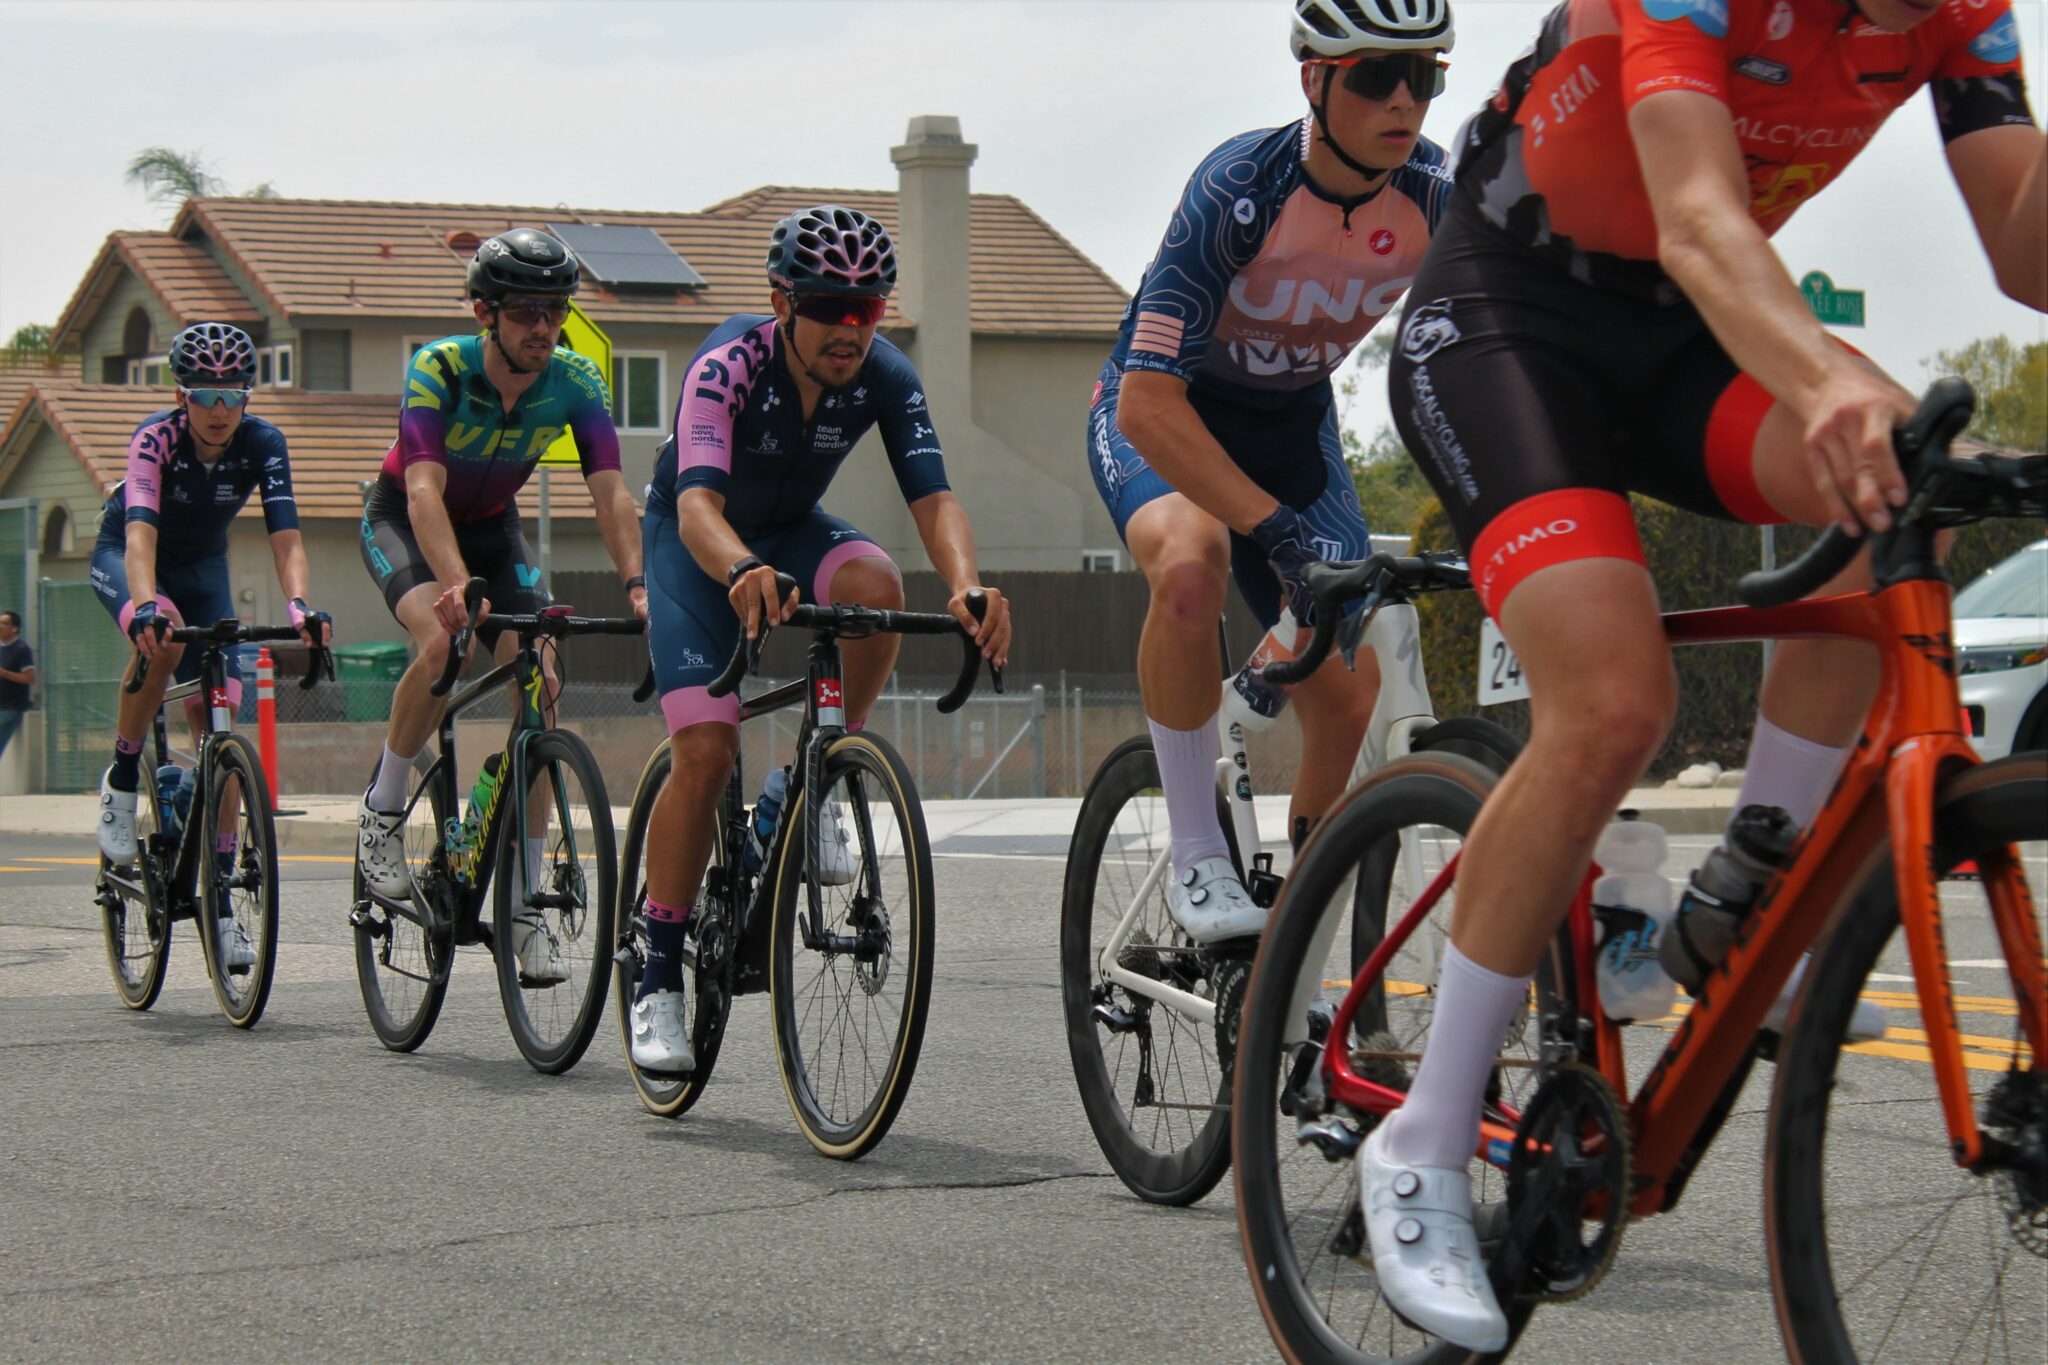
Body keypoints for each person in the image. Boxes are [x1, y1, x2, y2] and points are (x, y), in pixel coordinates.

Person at [1368, 0, 2043, 1347]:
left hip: (1687, 336)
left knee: (1894, 492)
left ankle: (1751, 888)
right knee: (1614, 705)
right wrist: (1824, 382)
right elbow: (1693, 213)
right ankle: (1422, 1142)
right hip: (1509, 318)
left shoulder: (1962, 17)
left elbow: (2024, 251)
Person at [1086, 0, 1457, 944]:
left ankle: (1289, 948)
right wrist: (1273, 527)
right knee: (1191, 565)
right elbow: (1147, 406)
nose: (1404, 100)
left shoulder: (1434, 197)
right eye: (1377, 75)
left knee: (1350, 694)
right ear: (1314, 80)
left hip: (1291, 426)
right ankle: (1197, 854)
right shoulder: (1239, 188)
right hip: (1169, 413)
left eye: (1425, 76)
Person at [628, 204, 1012, 1073]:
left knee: (877, 587)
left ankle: (812, 781)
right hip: (696, 543)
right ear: (781, 302)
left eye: (866, 308)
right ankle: (657, 971)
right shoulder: (728, 364)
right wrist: (738, 568)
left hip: (789, 530)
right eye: (830, 307)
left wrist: (967, 585)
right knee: (706, 749)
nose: (850, 328)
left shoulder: (884, 374)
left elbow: (935, 499)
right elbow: (697, 506)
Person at [354, 228, 648, 985]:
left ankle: (521, 906)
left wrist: (640, 584)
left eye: (555, 311)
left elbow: (611, 492)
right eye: (524, 312)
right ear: (486, 313)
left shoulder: (577, 379)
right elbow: (422, 490)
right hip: (407, 518)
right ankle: (383, 809)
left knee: (541, 684)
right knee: (440, 642)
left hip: (493, 527)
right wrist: (455, 585)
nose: (543, 327)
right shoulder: (439, 368)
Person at [91, 323, 333, 969]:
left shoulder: (263, 442)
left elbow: (287, 538)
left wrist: (300, 605)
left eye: (233, 395)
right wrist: (145, 603)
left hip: (203, 569)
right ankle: (121, 779)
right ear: (181, 395)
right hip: (131, 556)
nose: (220, 409)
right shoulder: (155, 439)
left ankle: (221, 905)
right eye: (205, 395)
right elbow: (139, 536)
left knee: (219, 723)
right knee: (165, 642)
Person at [0, 610, 33, 766]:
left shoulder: (21, 649)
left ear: (14, 628)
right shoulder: (1, 648)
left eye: (4, 623)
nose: (0, 626)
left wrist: (4, 673)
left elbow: (30, 678)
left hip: (11, 708)